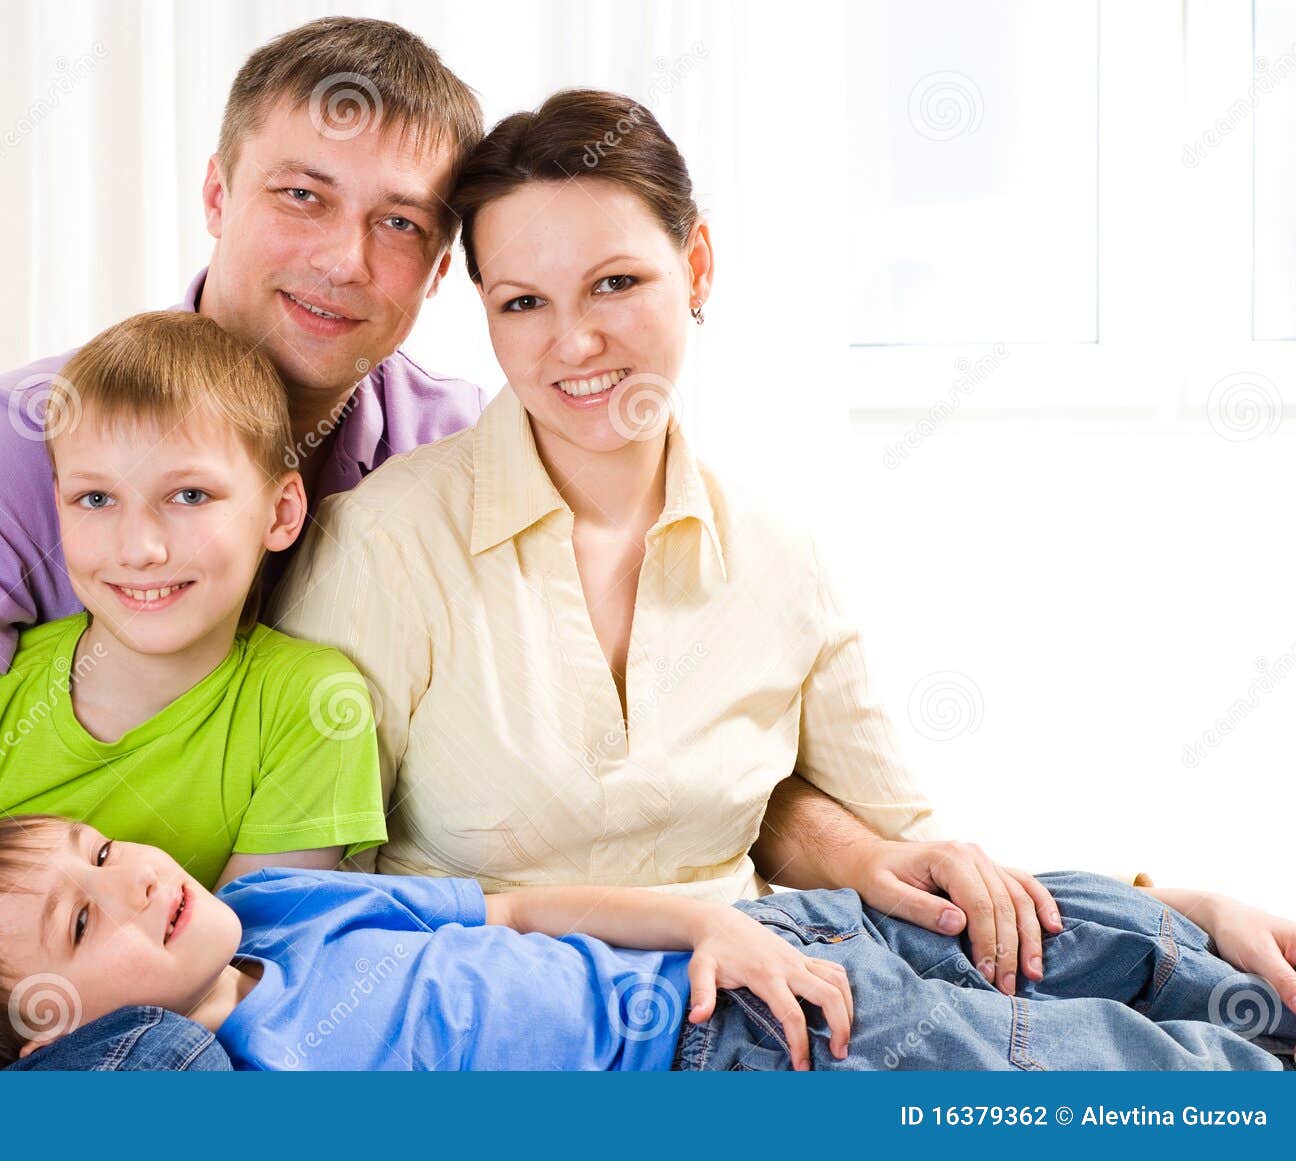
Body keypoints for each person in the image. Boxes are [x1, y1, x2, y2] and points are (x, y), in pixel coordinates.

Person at [270, 88, 1296, 1017]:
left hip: (777, 1011)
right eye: (523, 303)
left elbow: (918, 860)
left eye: (615, 283)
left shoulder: (774, 557)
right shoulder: (386, 544)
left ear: (698, 268)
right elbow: (300, 914)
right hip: (519, 1034)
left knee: (1198, 1051)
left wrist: (1176, 923)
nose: (573, 344)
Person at [0, 15, 485, 1070]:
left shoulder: (464, 465)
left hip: (186, 1008)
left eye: (399, 224)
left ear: (438, 269)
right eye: (300, 194)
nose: (343, 258)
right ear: (217, 196)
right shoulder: (15, 440)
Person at [0, 311, 389, 1070]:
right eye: (95, 500)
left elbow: (224, 970)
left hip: (127, 1044)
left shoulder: (309, 706)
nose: (139, 548)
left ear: (280, 511)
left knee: (169, 1054)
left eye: (188, 496)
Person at [0, 814, 1293, 1071]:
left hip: (744, 940)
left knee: (1068, 926)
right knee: (1059, 1063)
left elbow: (524, 907)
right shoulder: (230, 1080)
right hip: (733, 1050)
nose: (137, 883)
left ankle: (1242, 968)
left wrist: (701, 916)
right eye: (83, 917)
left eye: (108, 854)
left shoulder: (292, 909)